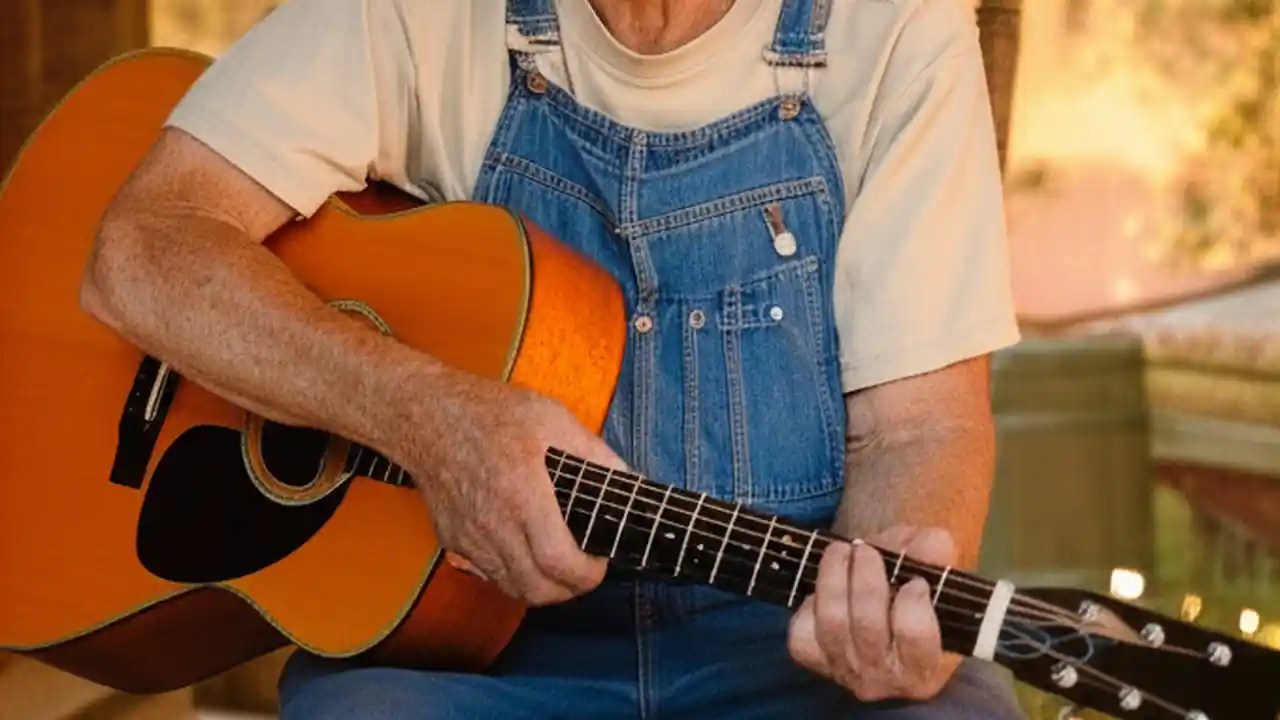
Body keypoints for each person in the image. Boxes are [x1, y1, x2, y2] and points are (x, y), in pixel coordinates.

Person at [79, 0, 1025, 717]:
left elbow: (920, 428)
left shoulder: (897, 25)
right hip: (464, 652)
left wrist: (877, 618)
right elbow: (142, 249)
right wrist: (426, 416)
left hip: (781, 643)